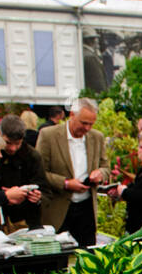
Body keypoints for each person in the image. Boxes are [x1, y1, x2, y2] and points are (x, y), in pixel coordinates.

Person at [37, 97, 110, 247]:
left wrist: (100, 174)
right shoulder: (48, 135)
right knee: (58, 260)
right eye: (84, 123)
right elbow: (39, 172)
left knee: (87, 256)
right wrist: (65, 183)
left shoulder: (97, 138)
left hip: (86, 209)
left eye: (91, 124)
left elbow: (106, 166)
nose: (87, 128)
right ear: (71, 116)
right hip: (58, 209)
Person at [0, 115, 47, 229]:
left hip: (27, 219)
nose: (13, 148)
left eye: (17, 143)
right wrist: (2, 195)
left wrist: (38, 197)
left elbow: (45, 189)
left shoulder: (33, 156)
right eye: (8, 143)